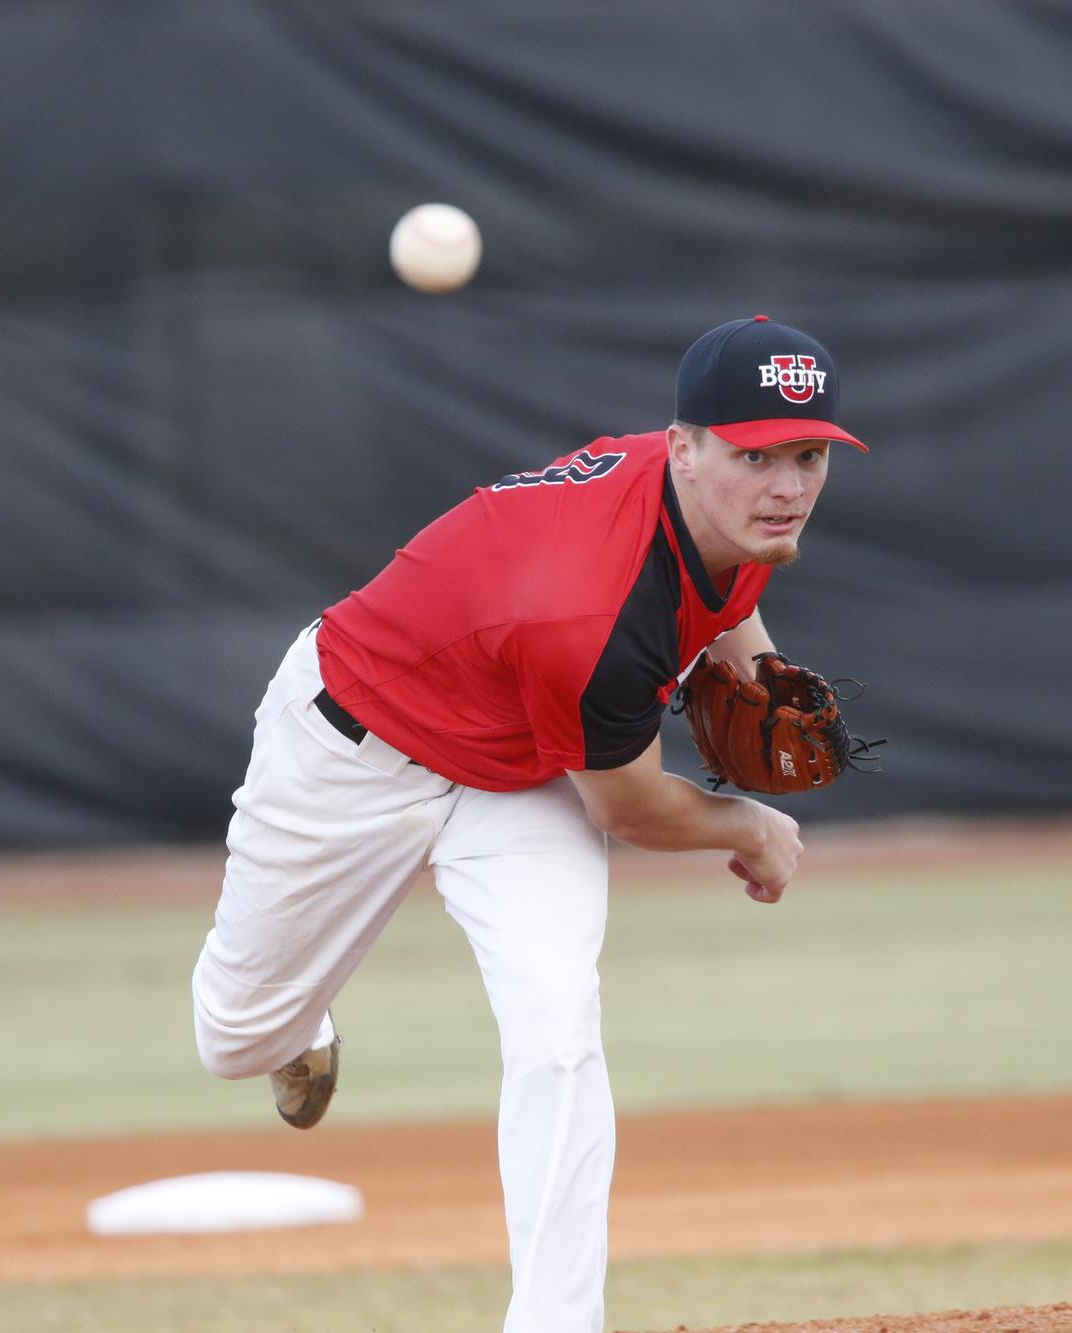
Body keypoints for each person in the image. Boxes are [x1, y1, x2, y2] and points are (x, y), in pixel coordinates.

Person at [191, 314, 867, 1333]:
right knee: (233, 1039)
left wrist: (755, 668)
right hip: (351, 751)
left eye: (808, 454)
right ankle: (300, 1023)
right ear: (682, 449)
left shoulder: (738, 516)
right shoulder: (587, 609)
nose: (786, 485)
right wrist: (748, 826)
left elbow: (726, 599)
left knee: (557, 1026)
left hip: (519, 776)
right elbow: (627, 805)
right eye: (755, 456)